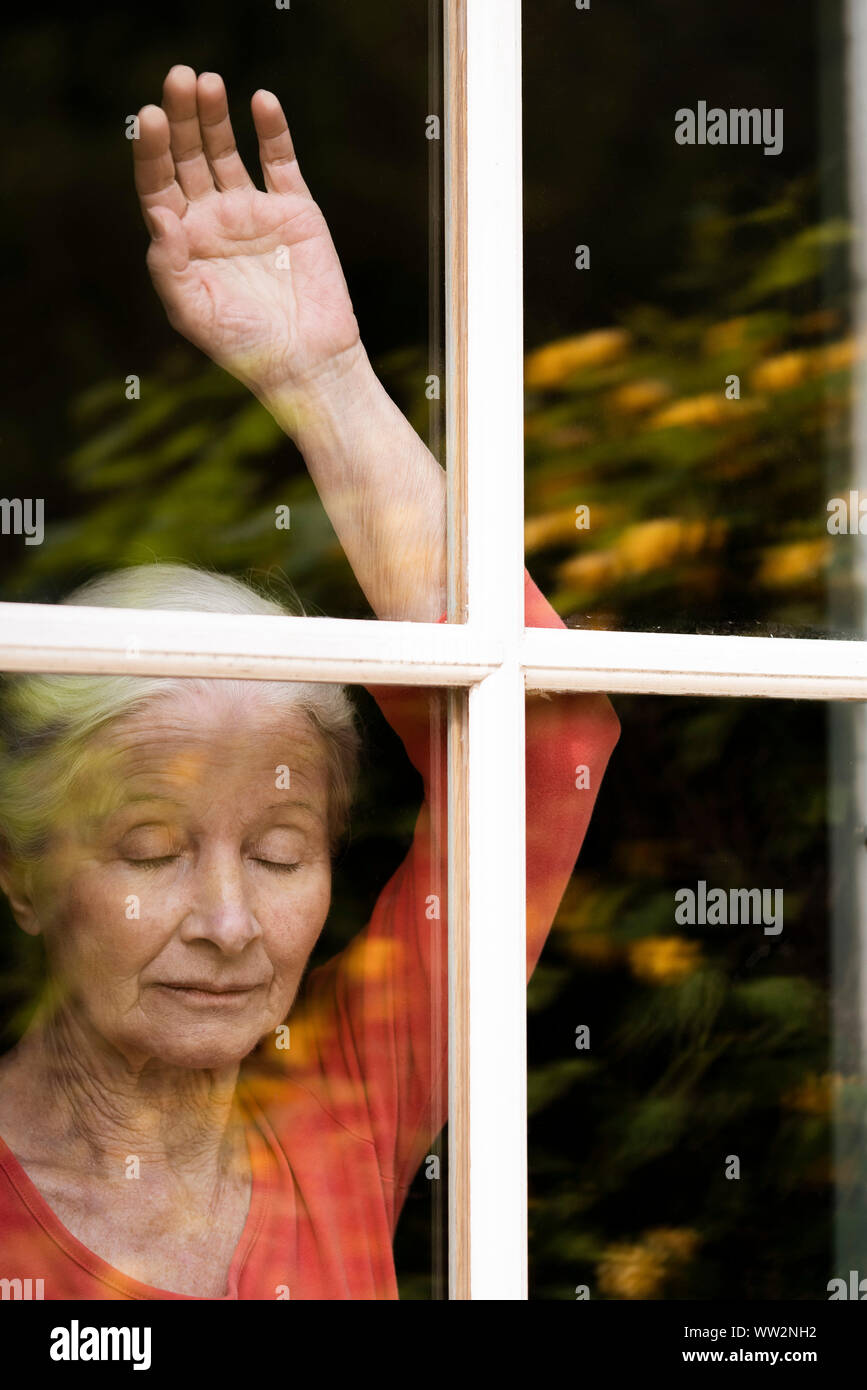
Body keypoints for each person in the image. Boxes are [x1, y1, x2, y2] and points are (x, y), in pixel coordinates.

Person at [0, 67, 620, 1300]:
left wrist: (324, 383)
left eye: (281, 855)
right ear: (23, 868)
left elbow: (540, 744)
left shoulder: (338, 1104)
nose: (229, 926)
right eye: (149, 847)